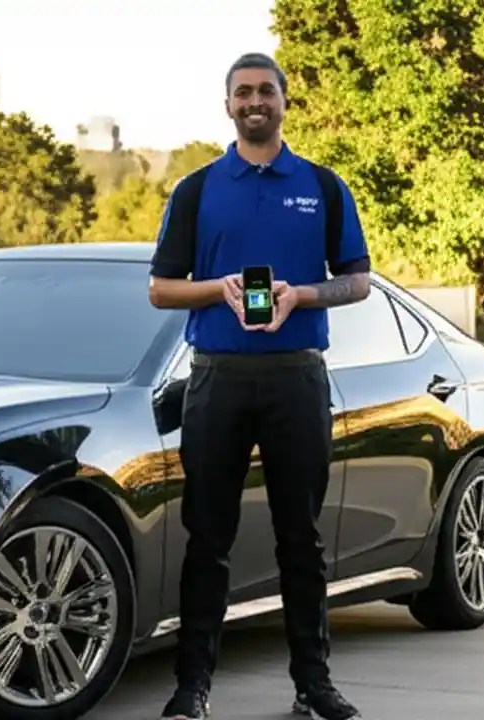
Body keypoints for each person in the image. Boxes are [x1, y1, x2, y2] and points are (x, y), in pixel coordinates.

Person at [147, 52, 372, 720]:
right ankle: (192, 689)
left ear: (283, 101)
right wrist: (217, 290)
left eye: (266, 91)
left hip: (296, 378)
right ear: (228, 106)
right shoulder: (196, 190)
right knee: (207, 538)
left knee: (300, 537)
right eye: (243, 92)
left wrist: (300, 294)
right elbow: (160, 288)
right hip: (216, 380)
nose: (255, 101)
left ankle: (314, 685)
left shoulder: (323, 187)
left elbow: (358, 280)